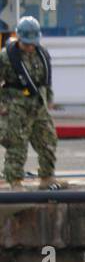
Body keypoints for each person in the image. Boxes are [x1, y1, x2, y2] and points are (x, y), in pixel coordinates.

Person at [1, 16, 61, 191]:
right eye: (26, 43)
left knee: (48, 140)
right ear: (19, 38)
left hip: (38, 105)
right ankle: (15, 181)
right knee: (16, 144)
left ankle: (47, 176)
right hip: (16, 106)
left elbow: (46, 79)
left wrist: (49, 98)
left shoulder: (41, 54)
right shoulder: (6, 57)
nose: (29, 47)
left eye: (32, 43)